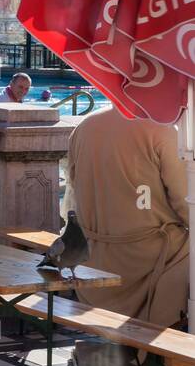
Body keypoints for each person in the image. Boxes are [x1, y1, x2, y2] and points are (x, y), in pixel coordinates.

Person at [64, 107, 189, 329]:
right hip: (149, 256)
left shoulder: (84, 126)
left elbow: (73, 191)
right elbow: (186, 203)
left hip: (93, 253)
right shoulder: (163, 130)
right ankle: (175, 347)